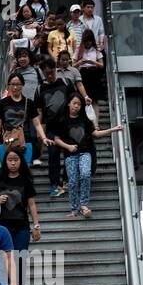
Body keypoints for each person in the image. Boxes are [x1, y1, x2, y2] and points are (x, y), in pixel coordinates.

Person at [52, 93, 123, 218]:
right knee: (72, 182)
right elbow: (56, 139)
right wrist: (68, 146)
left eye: (79, 104)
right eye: (74, 103)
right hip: (70, 155)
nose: (76, 106)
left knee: (85, 173)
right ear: (68, 103)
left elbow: (95, 134)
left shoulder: (85, 120)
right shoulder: (62, 121)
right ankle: (74, 209)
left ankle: (83, 205)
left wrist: (113, 129)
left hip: (85, 152)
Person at [0, 149, 40, 285]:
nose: (13, 162)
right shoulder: (0, 179)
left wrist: (36, 226)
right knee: (4, 258)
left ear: (21, 161)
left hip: (22, 225)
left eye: (16, 159)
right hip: (2, 227)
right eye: (10, 159)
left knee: (21, 256)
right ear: (5, 161)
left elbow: (31, 204)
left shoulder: (25, 180)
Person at [36, 56, 91, 197]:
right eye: (46, 73)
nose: (49, 75)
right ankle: (55, 185)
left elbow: (75, 99)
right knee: (53, 156)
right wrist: (40, 130)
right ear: (42, 72)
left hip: (68, 126)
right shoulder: (40, 89)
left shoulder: (65, 82)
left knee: (70, 154)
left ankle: (67, 180)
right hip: (51, 128)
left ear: (55, 70)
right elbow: (40, 112)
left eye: (51, 72)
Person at [0, 72, 48, 165]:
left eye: (18, 84)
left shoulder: (29, 103)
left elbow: (37, 123)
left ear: (22, 85)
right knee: (8, 170)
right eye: (12, 84)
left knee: (25, 170)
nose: (15, 87)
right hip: (6, 141)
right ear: (8, 85)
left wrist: (44, 138)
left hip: (25, 141)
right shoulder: (2, 103)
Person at [75, 28, 106, 102]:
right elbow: (73, 65)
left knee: (95, 99)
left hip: (94, 74)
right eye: (86, 41)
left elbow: (102, 65)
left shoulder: (96, 50)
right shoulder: (79, 50)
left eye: (89, 41)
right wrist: (80, 62)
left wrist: (93, 62)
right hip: (83, 74)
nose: (88, 43)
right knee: (83, 98)